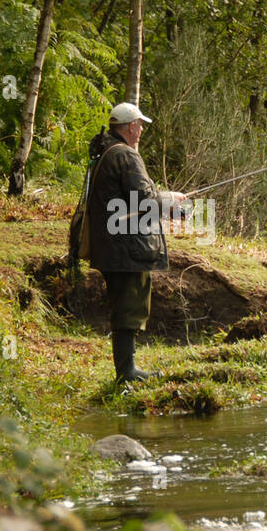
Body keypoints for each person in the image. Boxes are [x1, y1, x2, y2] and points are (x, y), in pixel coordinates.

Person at [86, 102, 186, 384]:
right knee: (130, 306)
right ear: (131, 127)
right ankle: (127, 373)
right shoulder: (127, 156)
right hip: (125, 247)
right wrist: (171, 199)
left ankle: (126, 370)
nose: (141, 130)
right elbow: (143, 200)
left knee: (125, 305)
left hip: (111, 244)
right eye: (140, 125)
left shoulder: (107, 152)